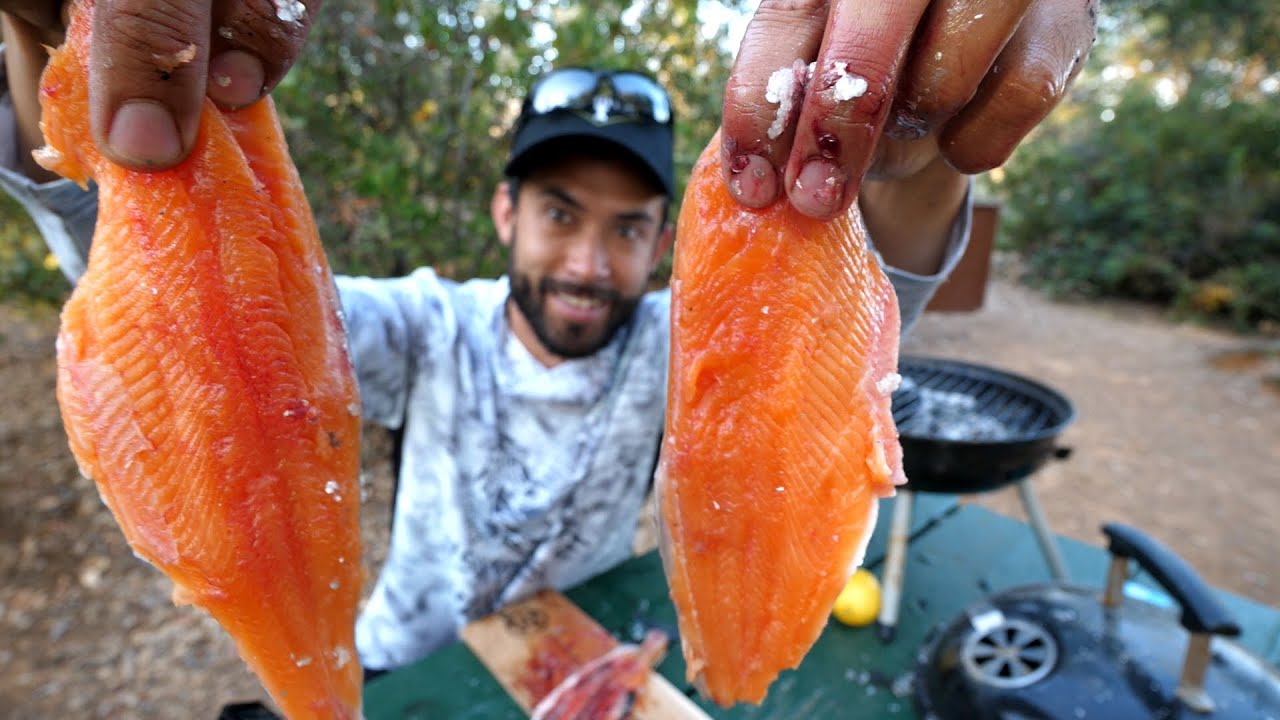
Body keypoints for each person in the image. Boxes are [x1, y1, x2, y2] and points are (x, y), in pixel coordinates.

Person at [1, 0, 1098, 677]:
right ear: (503, 214)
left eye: (627, 228)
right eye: (560, 214)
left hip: (578, 662)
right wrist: (53, 46)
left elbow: (861, 314)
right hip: (401, 667)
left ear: (663, 243)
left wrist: (917, 134)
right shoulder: (422, 329)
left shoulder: (680, 354)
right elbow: (167, 301)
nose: (586, 262)